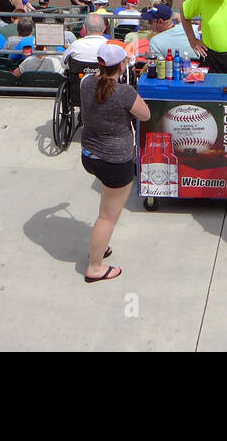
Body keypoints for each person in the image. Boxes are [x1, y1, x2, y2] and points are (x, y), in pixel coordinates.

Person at [79, 43, 150, 281]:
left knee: (105, 211)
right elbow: (146, 115)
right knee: (107, 217)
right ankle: (95, 267)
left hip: (89, 154)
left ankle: (100, 246)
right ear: (121, 65)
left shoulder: (86, 83)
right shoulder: (125, 92)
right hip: (115, 159)